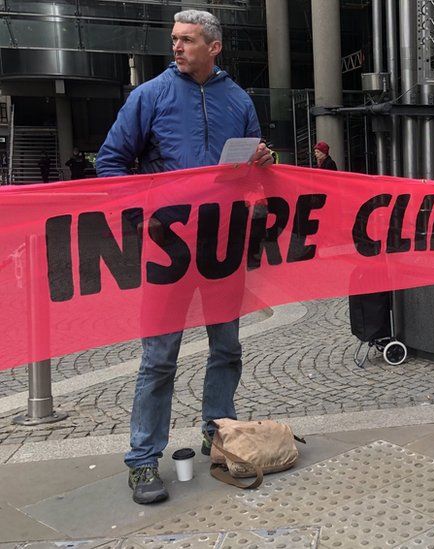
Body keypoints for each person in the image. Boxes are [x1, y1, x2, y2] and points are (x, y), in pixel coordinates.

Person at [96, 9, 273, 505]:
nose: (176, 46)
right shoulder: (149, 95)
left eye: (187, 39)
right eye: (174, 38)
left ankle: (219, 438)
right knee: (159, 358)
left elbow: (255, 171)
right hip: (168, 248)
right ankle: (142, 460)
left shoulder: (239, 99)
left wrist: (265, 160)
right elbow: (110, 162)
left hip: (222, 245)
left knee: (228, 350)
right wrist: (139, 217)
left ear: (213, 47)